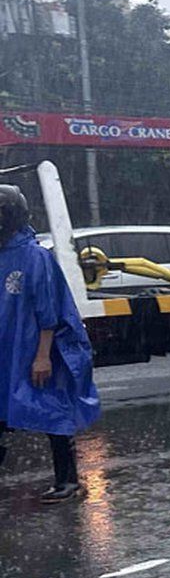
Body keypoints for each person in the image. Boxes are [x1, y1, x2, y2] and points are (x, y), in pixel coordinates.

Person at [0, 185, 100, 503]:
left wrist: (42, 356)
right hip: (8, 349)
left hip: (34, 349)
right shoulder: (3, 254)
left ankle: (68, 481)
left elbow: (48, 310)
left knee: (51, 410)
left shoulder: (35, 256)